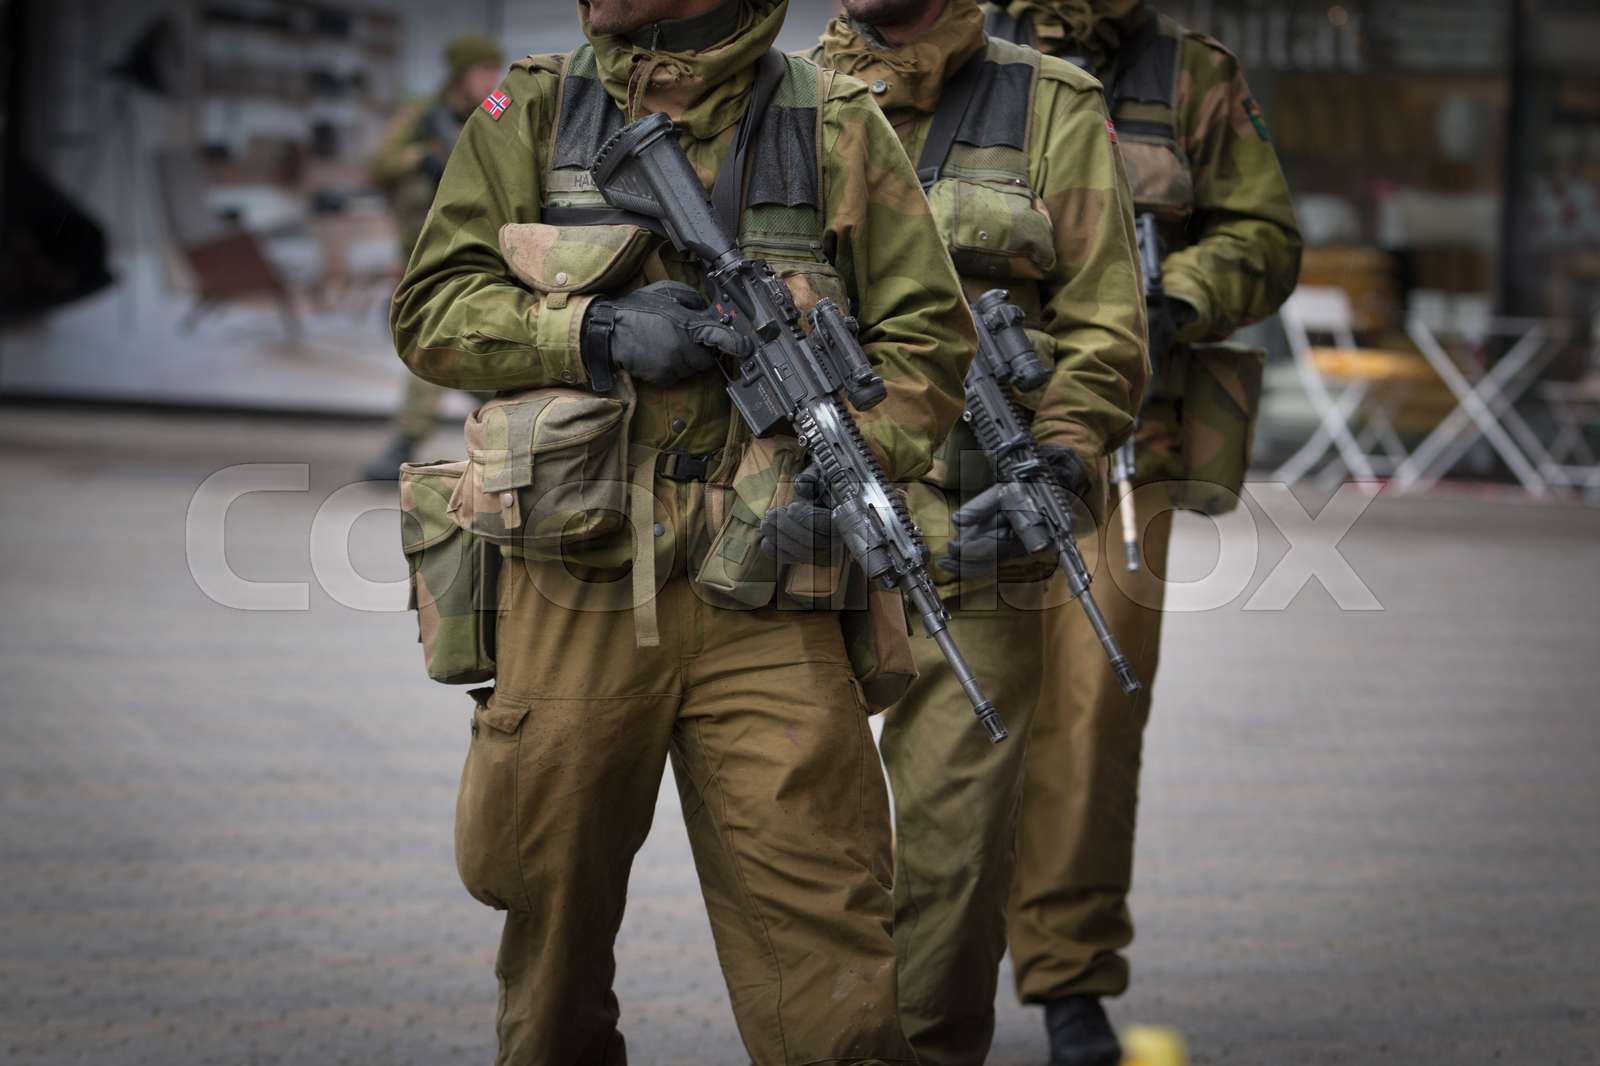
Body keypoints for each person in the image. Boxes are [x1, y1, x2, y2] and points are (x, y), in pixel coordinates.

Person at [390, 0, 979, 1061]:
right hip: (575, 576)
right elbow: (431, 310)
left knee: (829, 927)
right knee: (551, 922)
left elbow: (930, 338)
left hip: (772, 586)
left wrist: (854, 471)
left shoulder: (835, 121)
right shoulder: (529, 103)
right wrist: (595, 330)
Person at [812, 2, 1147, 1063]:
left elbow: (1103, 318)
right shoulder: (781, 98)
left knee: (954, 839)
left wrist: (1062, 450)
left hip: (977, 516)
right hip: (797, 511)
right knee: (795, 836)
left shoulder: (1051, 104)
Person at [982, 2, 1302, 1063]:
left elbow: (1262, 233)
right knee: (927, 707)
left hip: (1124, 456)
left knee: (1090, 722)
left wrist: (1177, 301)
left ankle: (1069, 977)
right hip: (950, 445)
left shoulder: (1182, 73)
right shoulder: (951, 46)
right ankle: (908, 966)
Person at [363, 34, 505, 481]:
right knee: (437, 340)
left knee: (467, 343)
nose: (489, 79)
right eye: (480, 71)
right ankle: (415, 435)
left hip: (486, 245)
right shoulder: (425, 115)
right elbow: (380, 165)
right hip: (428, 251)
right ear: (459, 74)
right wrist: (421, 157)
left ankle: (494, 421)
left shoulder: (500, 105)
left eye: (492, 70)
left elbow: (521, 146)